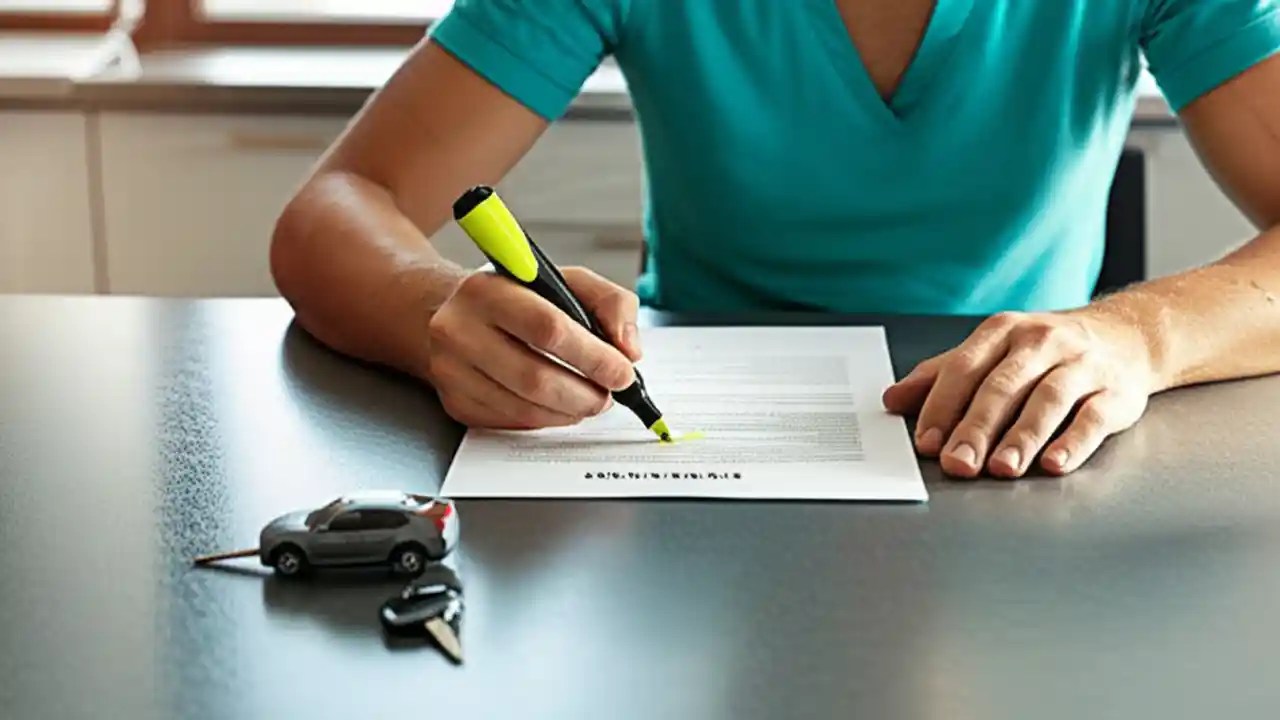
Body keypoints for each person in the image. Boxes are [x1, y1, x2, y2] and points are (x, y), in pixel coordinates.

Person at [271, 0, 1280, 480]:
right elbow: (337, 207)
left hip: (1018, 445)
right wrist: (434, 315)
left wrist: (1134, 337)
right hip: (692, 451)